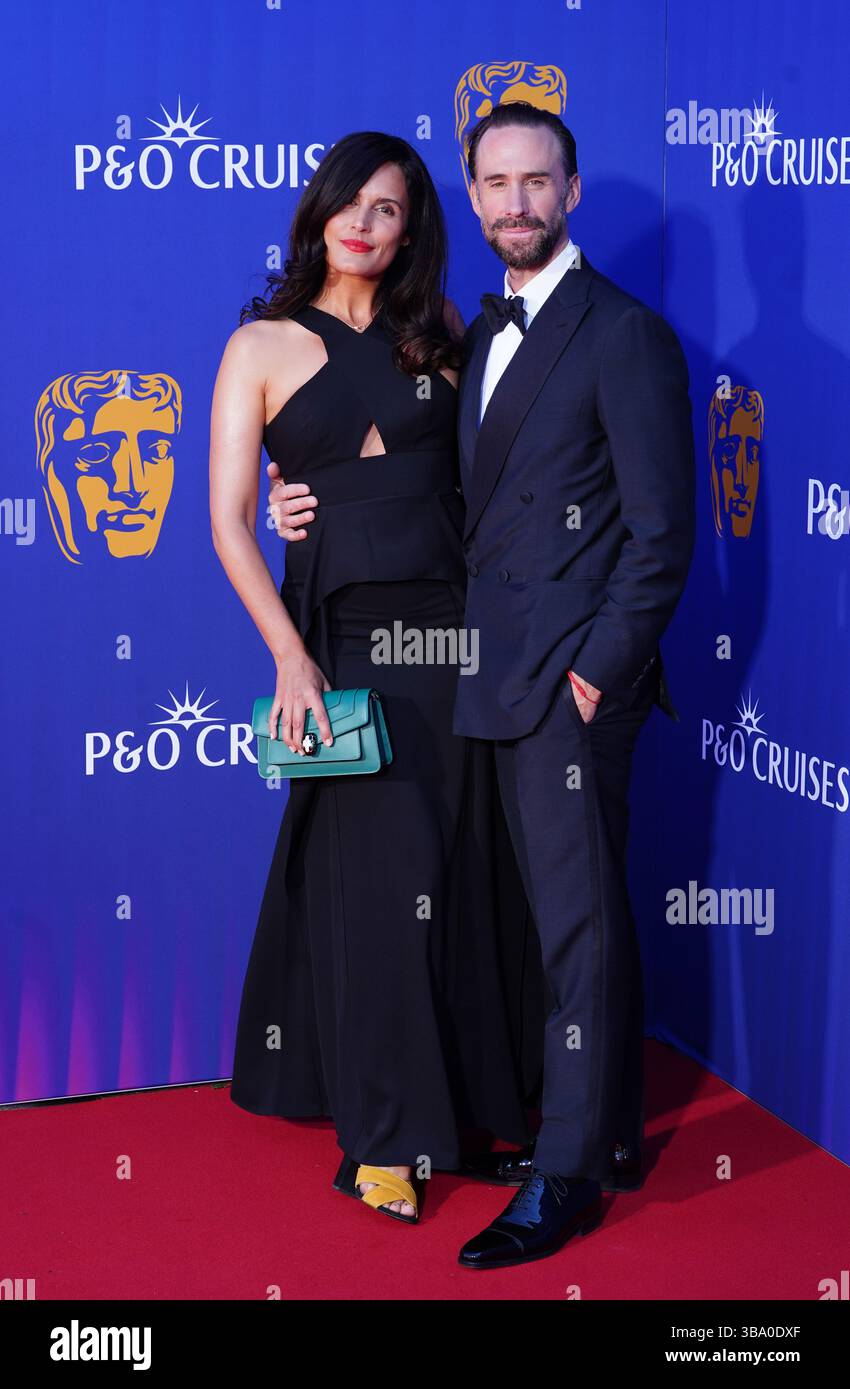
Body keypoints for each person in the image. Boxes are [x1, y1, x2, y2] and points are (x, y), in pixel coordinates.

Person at [273, 103, 696, 1268]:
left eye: (536, 181)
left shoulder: (623, 334)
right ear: (474, 199)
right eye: (494, 184)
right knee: (558, 925)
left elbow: (662, 538)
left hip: (567, 687)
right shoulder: (465, 336)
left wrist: (599, 678)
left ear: (570, 189)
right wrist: (294, 504)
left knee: (575, 929)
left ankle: (565, 1178)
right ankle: (598, 1133)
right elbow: (421, 485)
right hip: (474, 679)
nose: (515, 202)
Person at [209, 130, 543, 1226]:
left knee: (461, 869)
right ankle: (385, 1139)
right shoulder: (258, 346)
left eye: (388, 209)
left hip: (451, 636)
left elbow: (483, 475)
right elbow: (225, 520)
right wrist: (288, 654)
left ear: (411, 229)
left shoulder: (438, 331)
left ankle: (482, 1106)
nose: (363, 223)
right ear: (318, 213)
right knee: (376, 887)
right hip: (341, 644)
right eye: (349, 203)